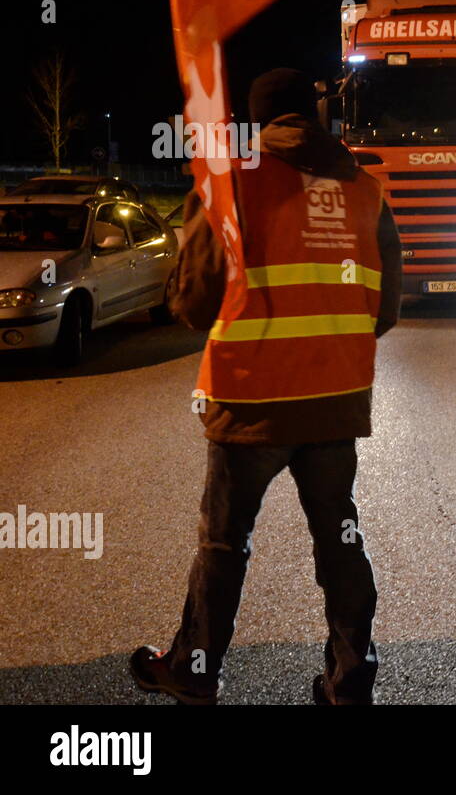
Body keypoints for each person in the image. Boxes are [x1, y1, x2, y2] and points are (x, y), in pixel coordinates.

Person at [131, 68, 403, 705]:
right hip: (334, 404)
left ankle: (195, 669)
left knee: (226, 543)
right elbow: (385, 311)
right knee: (340, 538)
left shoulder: (232, 185)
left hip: (250, 404)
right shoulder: (366, 191)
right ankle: (350, 676)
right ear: (316, 115)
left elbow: (195, 304)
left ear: (260, 122)